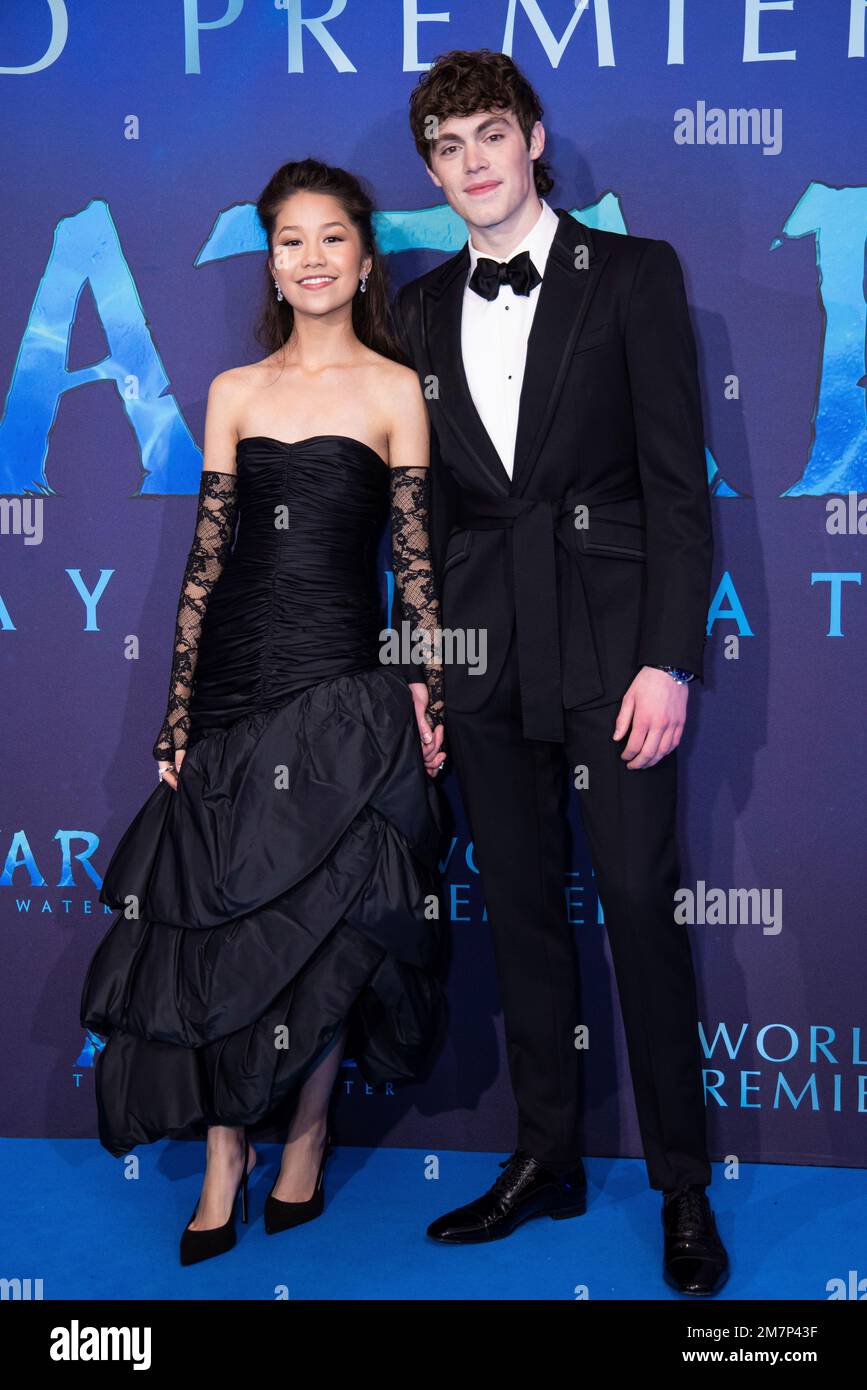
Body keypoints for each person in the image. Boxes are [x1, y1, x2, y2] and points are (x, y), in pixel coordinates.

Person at [393, 48, 729, 1295]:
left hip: (609, 642)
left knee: (640, 908)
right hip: (482, 648)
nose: (473, 163)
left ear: (533, 138)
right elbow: (415, 514)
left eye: (490, 134)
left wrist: (667, 660)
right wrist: (426, 662)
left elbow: (679, 491)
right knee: (523, 914)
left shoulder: (634, 275)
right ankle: (547, 1159)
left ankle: (684, 1189)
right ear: (430, 171)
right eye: (447, 148)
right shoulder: (417, 309)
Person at [80, 157, 448, 1267]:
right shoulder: (234, 391)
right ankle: (224, 1155)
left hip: (341, 684)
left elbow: (418, 567)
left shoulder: (396, 390)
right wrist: (176, 713)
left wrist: (425, 694)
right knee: (222, 917)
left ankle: (308, 1132)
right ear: (271, 262)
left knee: (323, 921)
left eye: (332, 237)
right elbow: (206, 563)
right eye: (291, 240)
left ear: (364, 257)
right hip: (237, 676)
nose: (313, 258)